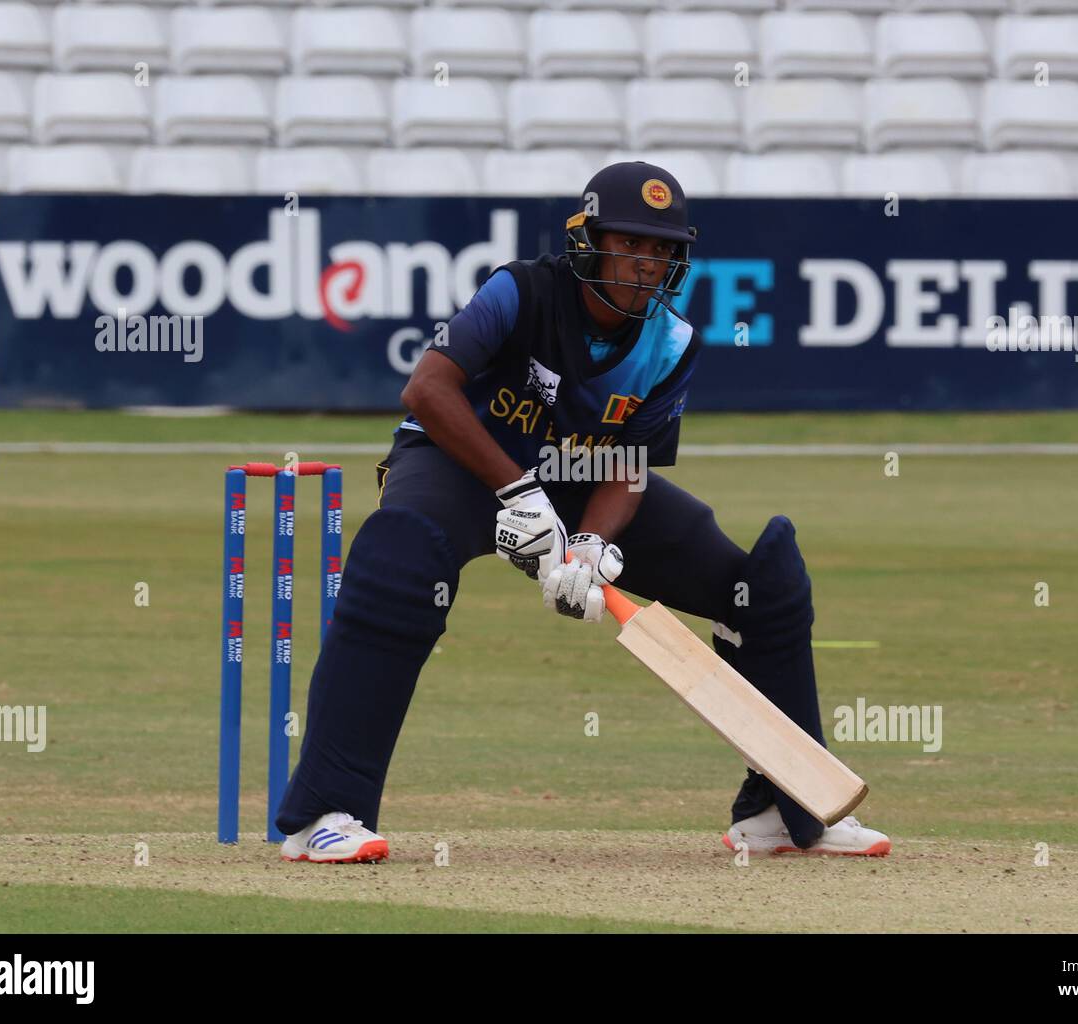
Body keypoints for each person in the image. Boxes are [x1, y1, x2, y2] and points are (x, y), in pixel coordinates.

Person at [277, 161, 891, 862]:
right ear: (589, 241)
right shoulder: (520, 291)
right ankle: (324, 814)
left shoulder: (671, 339)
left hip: (582, 473)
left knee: (760, 588)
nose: (646, 264)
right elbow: (427, 391)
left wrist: (592, 545)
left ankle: (784, 810)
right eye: (631, 244)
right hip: (461, 460)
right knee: (400, 558)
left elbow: (629, 462)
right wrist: (516, 490)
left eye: (662, 251)